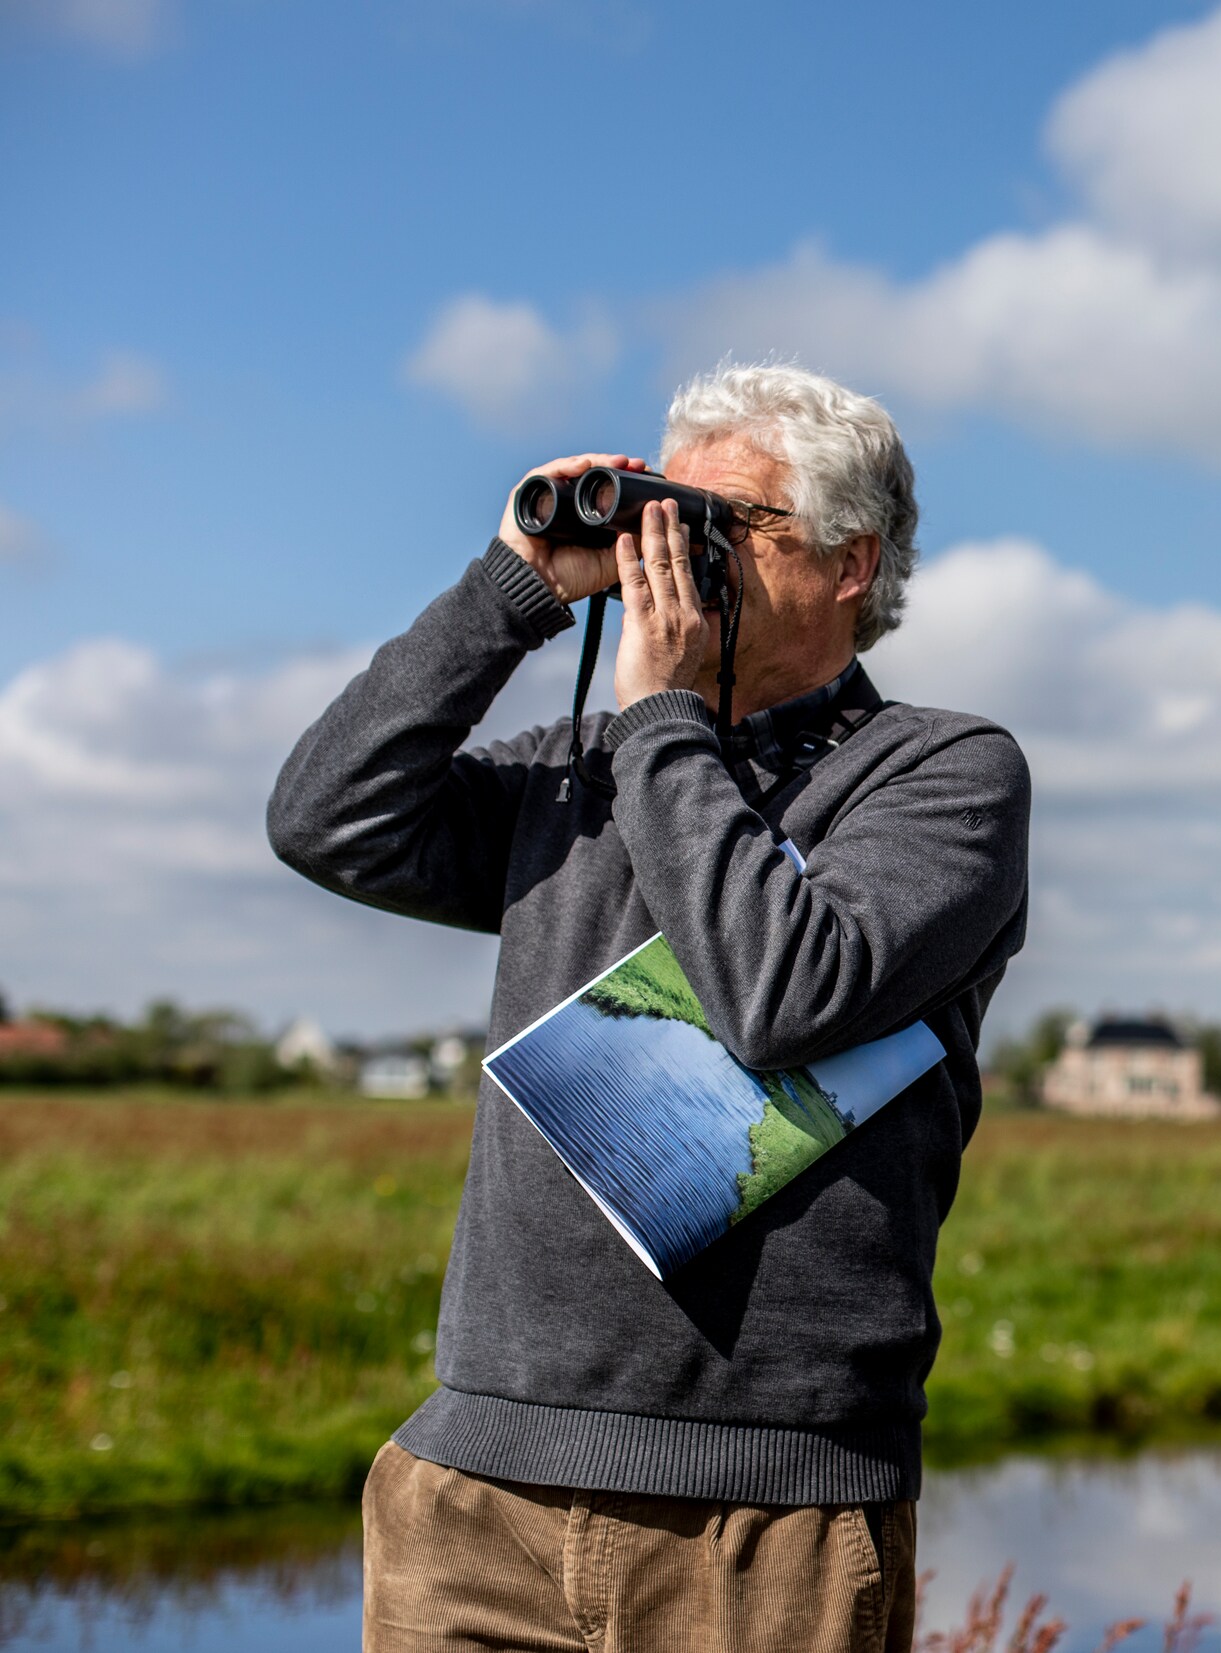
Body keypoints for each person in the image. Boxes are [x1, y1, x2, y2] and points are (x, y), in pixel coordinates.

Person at [268, 364, 1031, 1653]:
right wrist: (510, 590)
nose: (680, 552)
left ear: (852, 564)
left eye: (731, 524)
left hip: (760, 1502)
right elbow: (326, 817)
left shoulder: (942, 775)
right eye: (667, 515)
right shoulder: (578, 776)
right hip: (476, 1479)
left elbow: (781, 996)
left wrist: (665, 717)